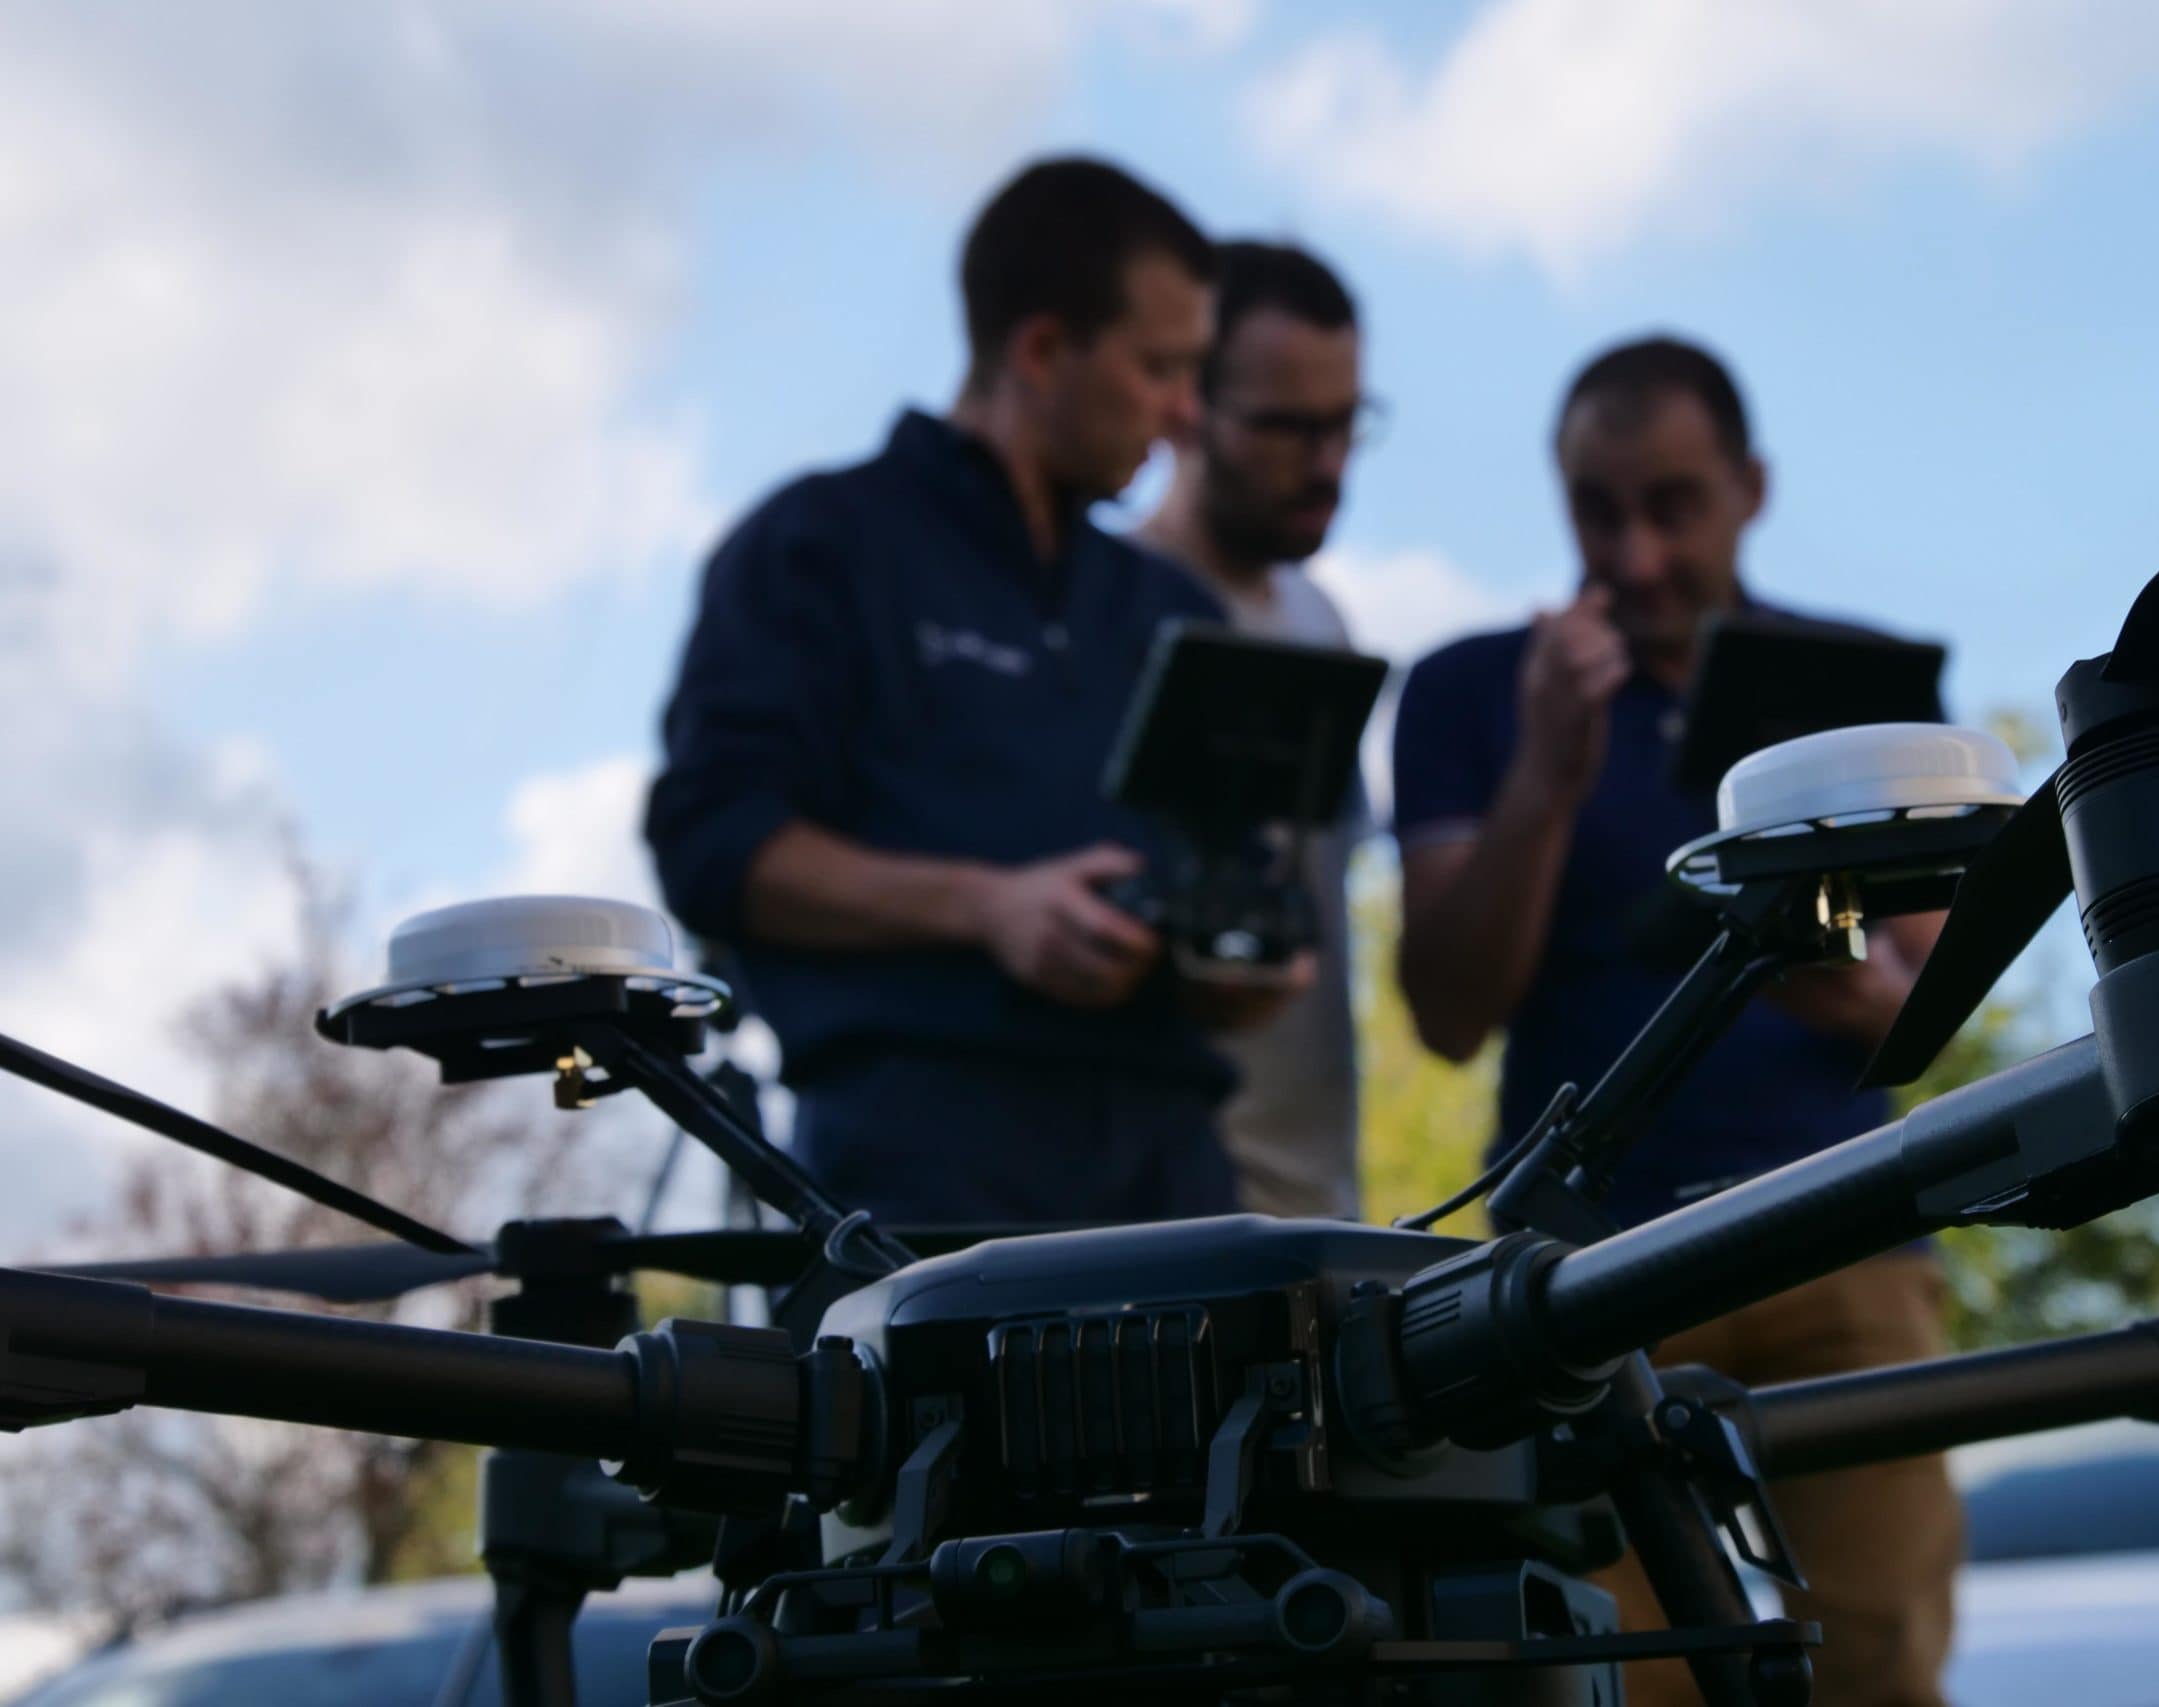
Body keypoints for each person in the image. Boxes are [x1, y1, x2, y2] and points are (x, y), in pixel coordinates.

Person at [1391, 336, 1961, 1707]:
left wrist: (1846, 987)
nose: (1635, 556)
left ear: (1750, 489)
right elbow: (1448, 1014)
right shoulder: (1472, 688)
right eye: (1597, 511)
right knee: (1606, 1671)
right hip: (1581, 1270)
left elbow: (1929, 1004)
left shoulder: (1856, 682)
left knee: (1880, 1653)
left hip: (1843, 1230)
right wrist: (1546, 772)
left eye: (1673, 506)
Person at [645, 157, 1301, 1230]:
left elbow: (1237, 869)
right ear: (1039, 350)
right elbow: (712, 842)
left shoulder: (1170, 609)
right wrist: (991, 908)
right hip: (917, 1192)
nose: (1186, 413)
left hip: (1175, 1191)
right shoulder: (819, 546)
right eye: (1158, 368)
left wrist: (1238, 961)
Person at [1138, 240, 1373, 1221]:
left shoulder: (1322, 620)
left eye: (1348, 423)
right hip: (1162, 1209)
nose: (1328, 464)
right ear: (1183, 403)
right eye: (1287, 427)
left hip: (1317, 1204)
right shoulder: (1113, 619)